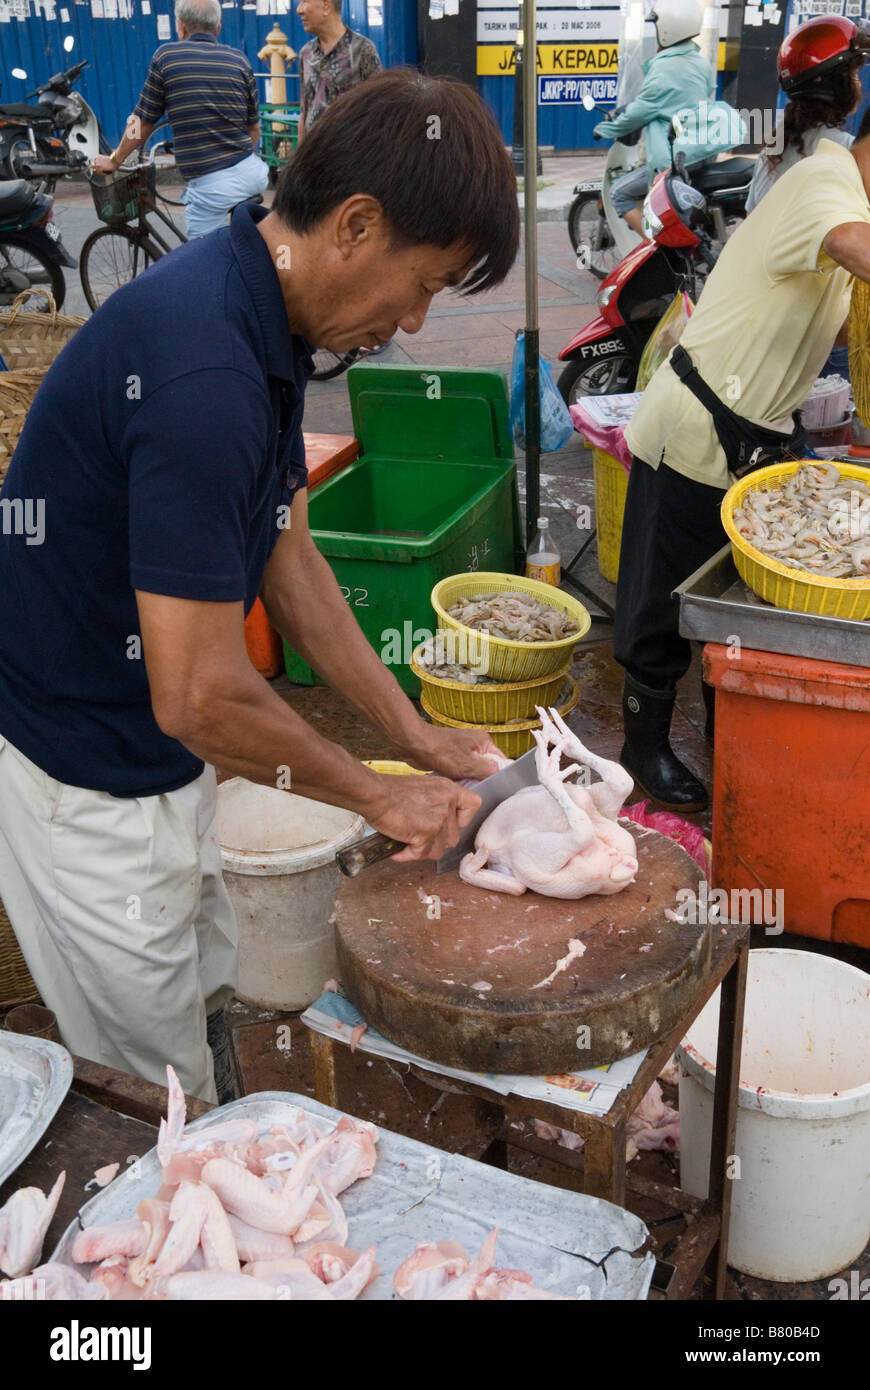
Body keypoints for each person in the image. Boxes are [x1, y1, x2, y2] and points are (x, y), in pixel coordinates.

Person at [0, 71, 520, 1104]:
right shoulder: (205, 375)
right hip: (83, 772)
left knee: (204, 981)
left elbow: (291, 559)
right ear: (357, 225)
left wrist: (413, 737)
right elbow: (196, 692)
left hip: (162, 752)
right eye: (423, 282)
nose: (415, 320)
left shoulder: (262, 305)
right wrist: (377, 795)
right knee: (151, 1092)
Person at [613, 40, 870, 812]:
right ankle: (641, 750)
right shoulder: (827, 179)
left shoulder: (816, 180)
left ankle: (743, 745)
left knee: (741, 607)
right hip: (695, 422)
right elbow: (852, 250)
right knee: (662, 604)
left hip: (757, 433)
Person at [94, 0, 269, 238]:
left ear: (181, 26)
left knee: (202, 264)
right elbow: (254, 128)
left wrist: (114, 160)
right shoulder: (240, 60)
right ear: (218, 28)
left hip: (213, 187)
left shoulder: (166, 57)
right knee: (237, 247)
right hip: (253, 174)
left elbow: (142, 122)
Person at [593, 0, 714, 235]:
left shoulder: (663, 68)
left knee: (618, 193)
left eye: (658, 27)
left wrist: (606, 129)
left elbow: (640, 111)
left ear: (669, 28)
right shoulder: (701, 64)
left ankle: (656, 244)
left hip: (672, 158)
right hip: (702, 152)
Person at [746, 15, 864, 214]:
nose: (858, 84)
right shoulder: (848, 151)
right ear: (837, 81)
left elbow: (751, 216)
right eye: (854, 74)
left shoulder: (773, 151)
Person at [296, 0, 382, 142]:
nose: (299, 9)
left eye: (305, 1)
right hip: (314, 156)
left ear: (326, 6)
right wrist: (299, 157)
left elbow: (379, 111)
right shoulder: (306, 53)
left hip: (348, 156)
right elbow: (304, 112)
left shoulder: (362, 50)